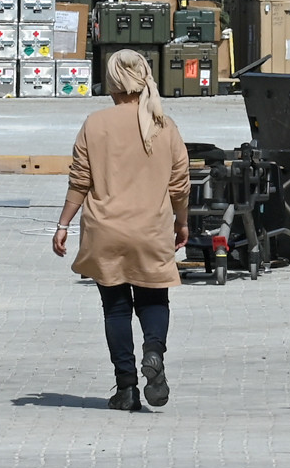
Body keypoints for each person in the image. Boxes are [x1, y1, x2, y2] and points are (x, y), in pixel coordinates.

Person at [52, 48, 190, 412]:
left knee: (115, 310)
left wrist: (63, 224)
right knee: (154, 300)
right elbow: (180, 184)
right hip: (151, 230)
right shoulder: (164, 125)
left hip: (106, 231)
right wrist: (182, 221)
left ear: (112, 81)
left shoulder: (95, 123)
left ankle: (126, 388)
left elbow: (79, 180)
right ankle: (153, 352)